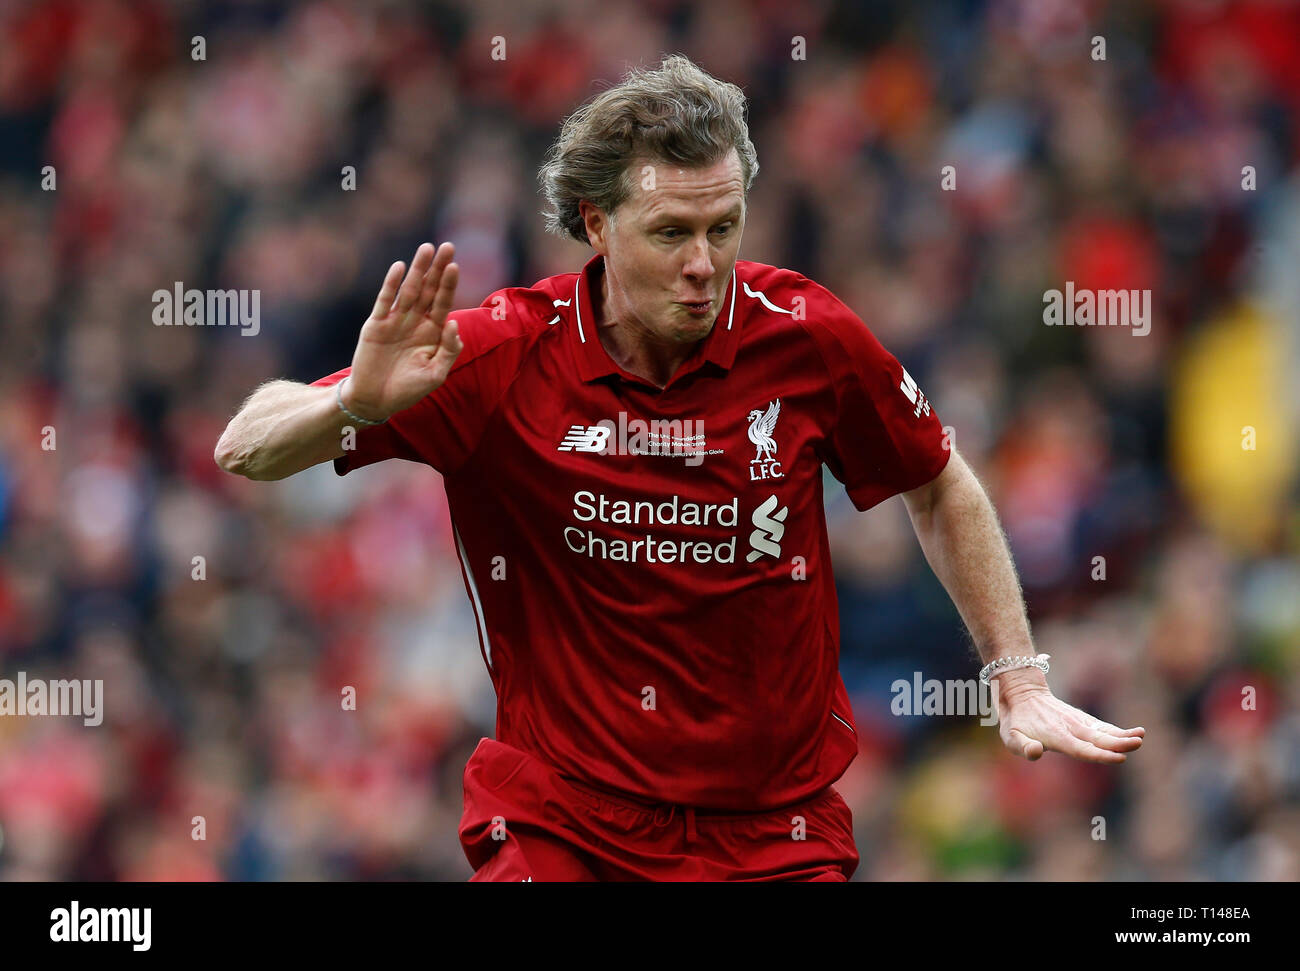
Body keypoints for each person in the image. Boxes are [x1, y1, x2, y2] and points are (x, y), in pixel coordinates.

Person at [214, 54, 1144, 881]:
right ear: (597, 224)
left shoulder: (806, 336)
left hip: (774, 834)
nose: (706, 265)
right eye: (671, 234)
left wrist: (1015, 674)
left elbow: (938, 480)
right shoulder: (496, 355)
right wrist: (356, 404)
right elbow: (246, 444)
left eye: (725, 227)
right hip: (564, 821)